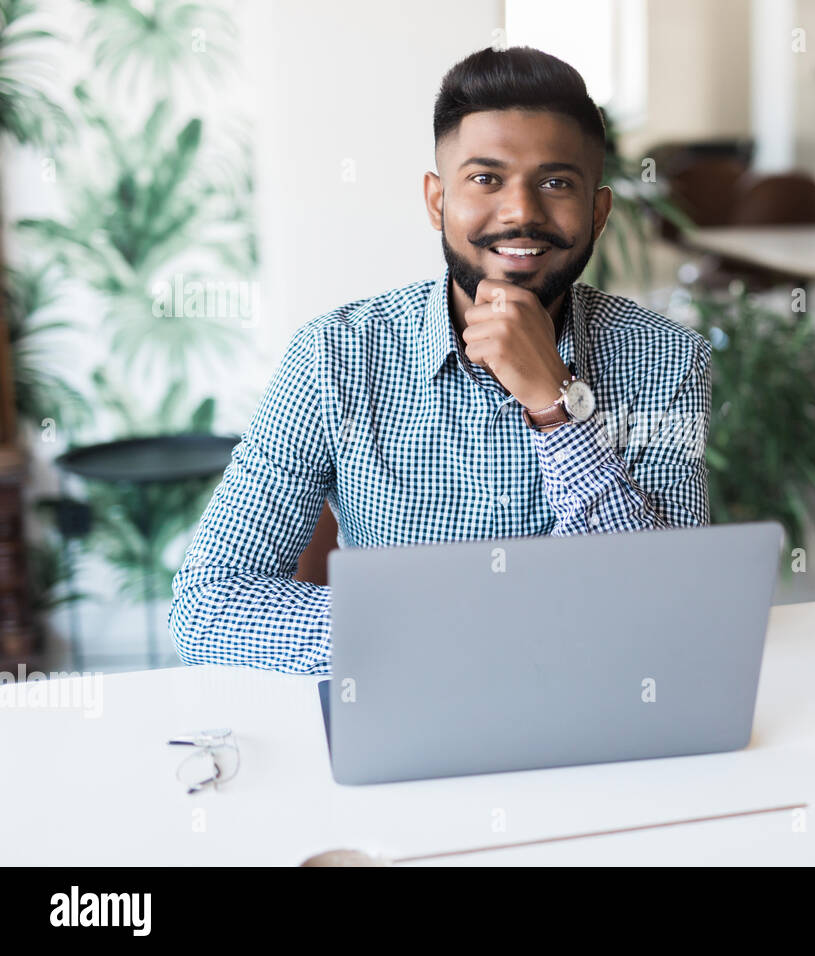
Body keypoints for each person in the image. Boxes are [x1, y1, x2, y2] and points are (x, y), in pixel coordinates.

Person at [169, 47, 711, 674]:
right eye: (485, 179)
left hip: (602, 710)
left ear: (597, 212)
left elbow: (670, 609)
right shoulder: (335, 355)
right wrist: (443, 641)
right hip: (408, 708)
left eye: (556, 183)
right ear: (437, 201)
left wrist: (556, 406)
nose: (521, 213)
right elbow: (208, 604)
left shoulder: (667, 357)